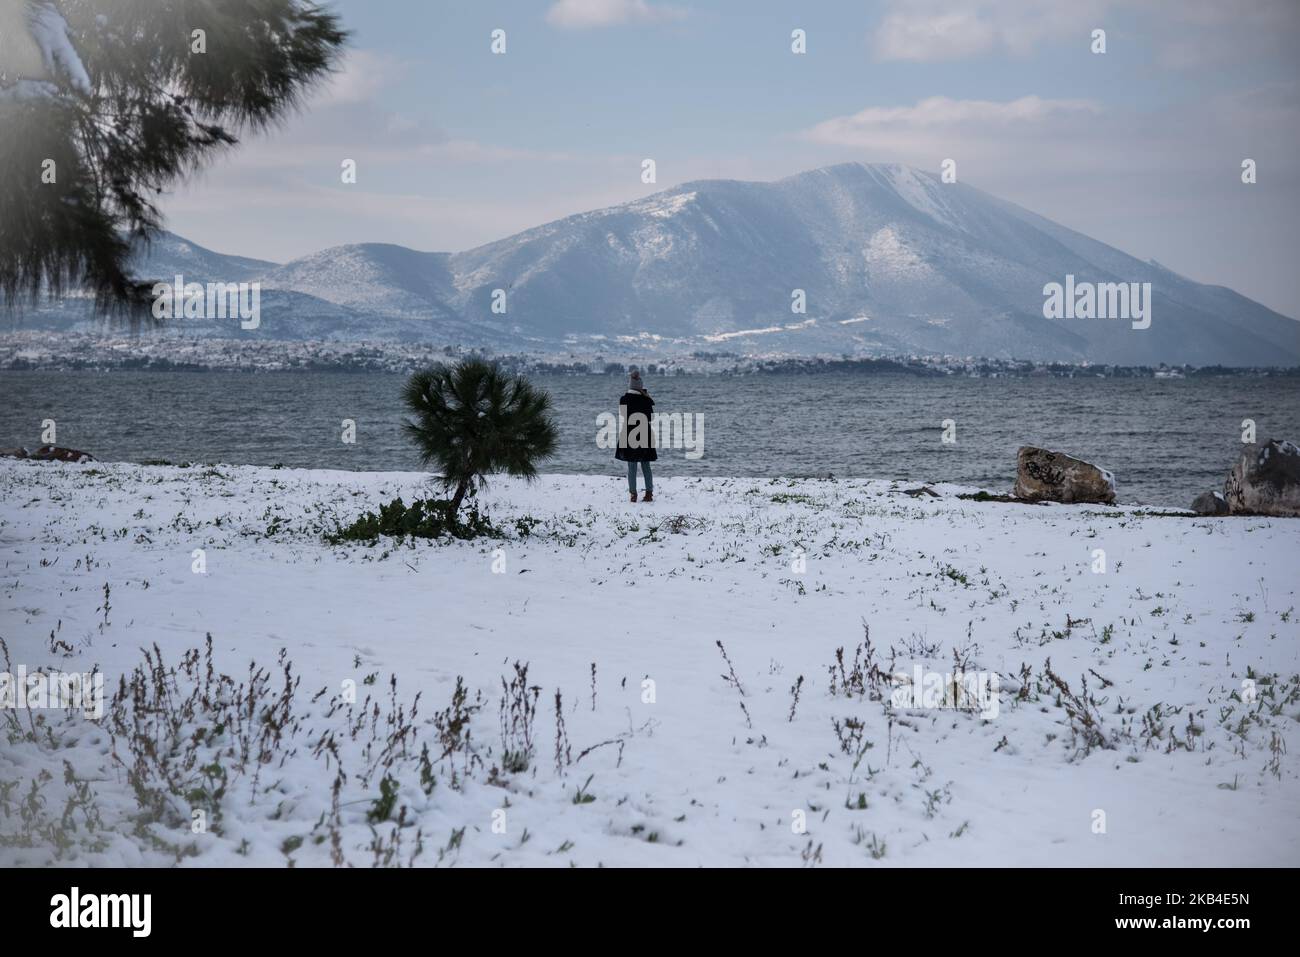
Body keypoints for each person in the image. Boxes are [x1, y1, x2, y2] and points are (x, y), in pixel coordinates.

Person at [615, 368, 656, 502]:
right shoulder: (646, 399)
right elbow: (651, 417)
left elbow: (623, 415)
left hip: (629, 432)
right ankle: (649, 493)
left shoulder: (624, 399)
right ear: (640, 385)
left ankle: (633, 495)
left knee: (631, 466)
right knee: (646, 465)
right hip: (645, 432)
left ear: (630, 384)